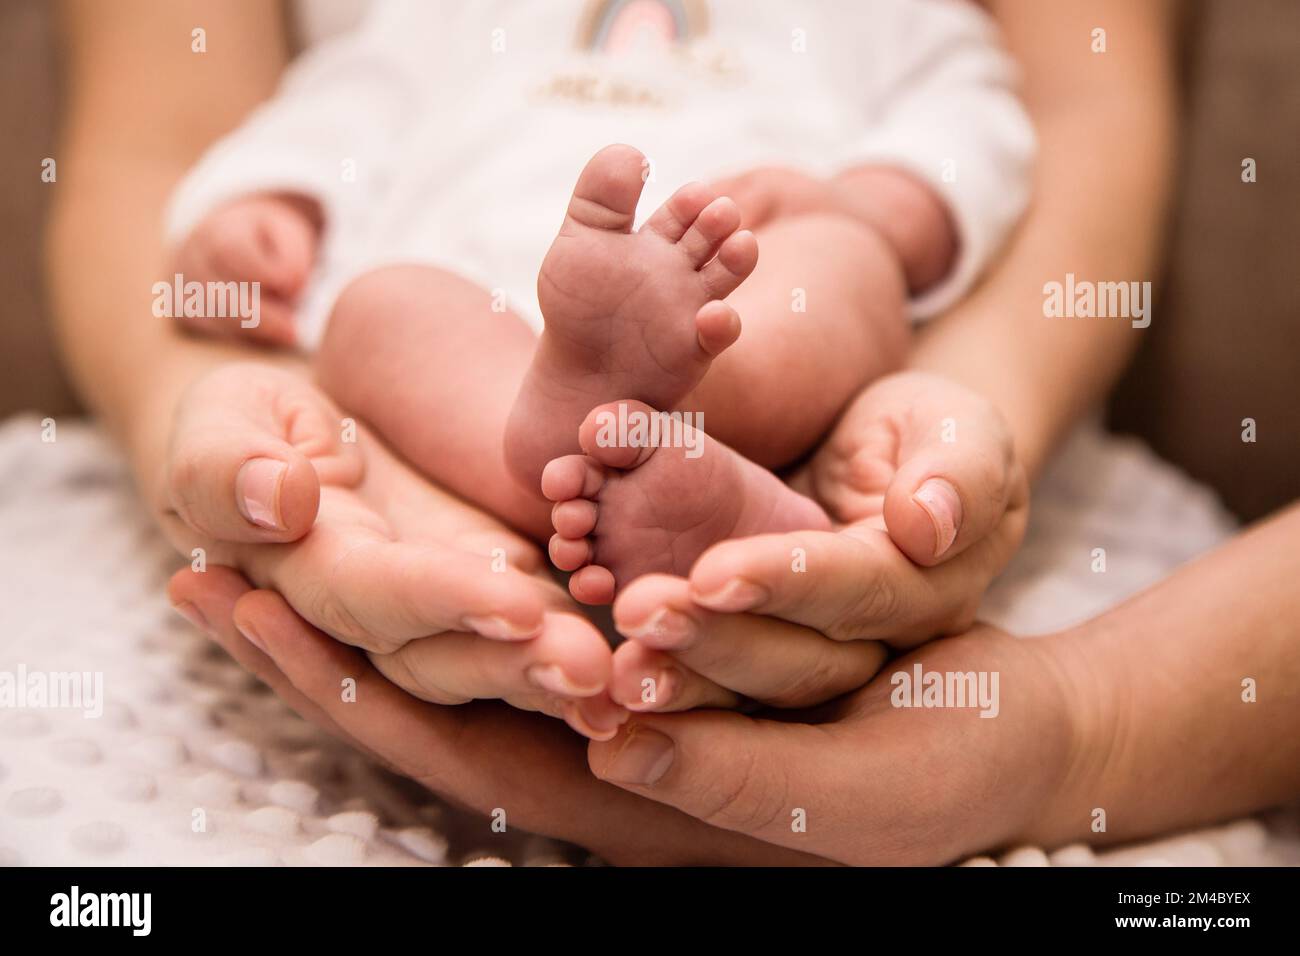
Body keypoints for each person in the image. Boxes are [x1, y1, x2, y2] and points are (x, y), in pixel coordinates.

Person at [55, 0, 1296, 866]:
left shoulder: (885, 16)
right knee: (379, 312)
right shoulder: (431, 20)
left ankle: (698, 454)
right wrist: (255, 209)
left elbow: (980, 122)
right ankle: (624, 452)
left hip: (751, 300)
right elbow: (322, 112)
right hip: (488, 323)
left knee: (836, 274)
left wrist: (876, 203)